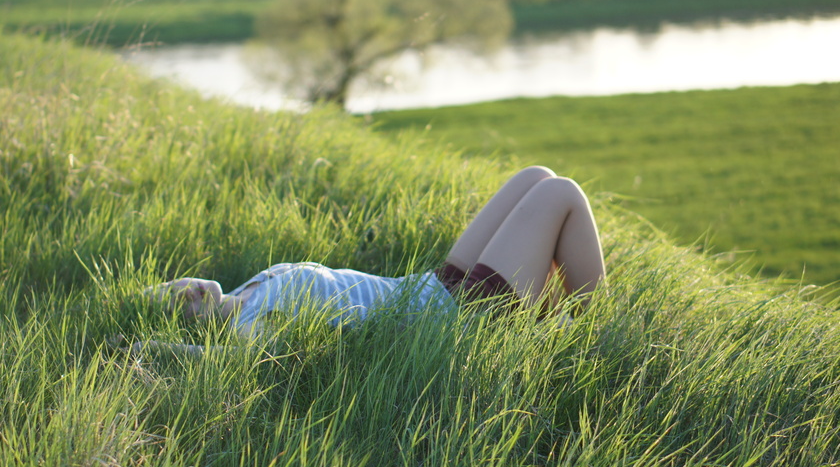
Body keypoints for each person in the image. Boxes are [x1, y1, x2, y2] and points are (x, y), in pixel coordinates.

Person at [134, 166, 606, 355]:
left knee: (536, 176)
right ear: (194, 326)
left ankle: (548, 330)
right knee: (560, 193)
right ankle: (601, 333)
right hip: (460, 318)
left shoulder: (248, 286)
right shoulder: (251, 326)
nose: (186, 292)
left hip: (429, 287)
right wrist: (155, 350)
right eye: (179, 306)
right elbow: (236, 362)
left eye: (173, 287)